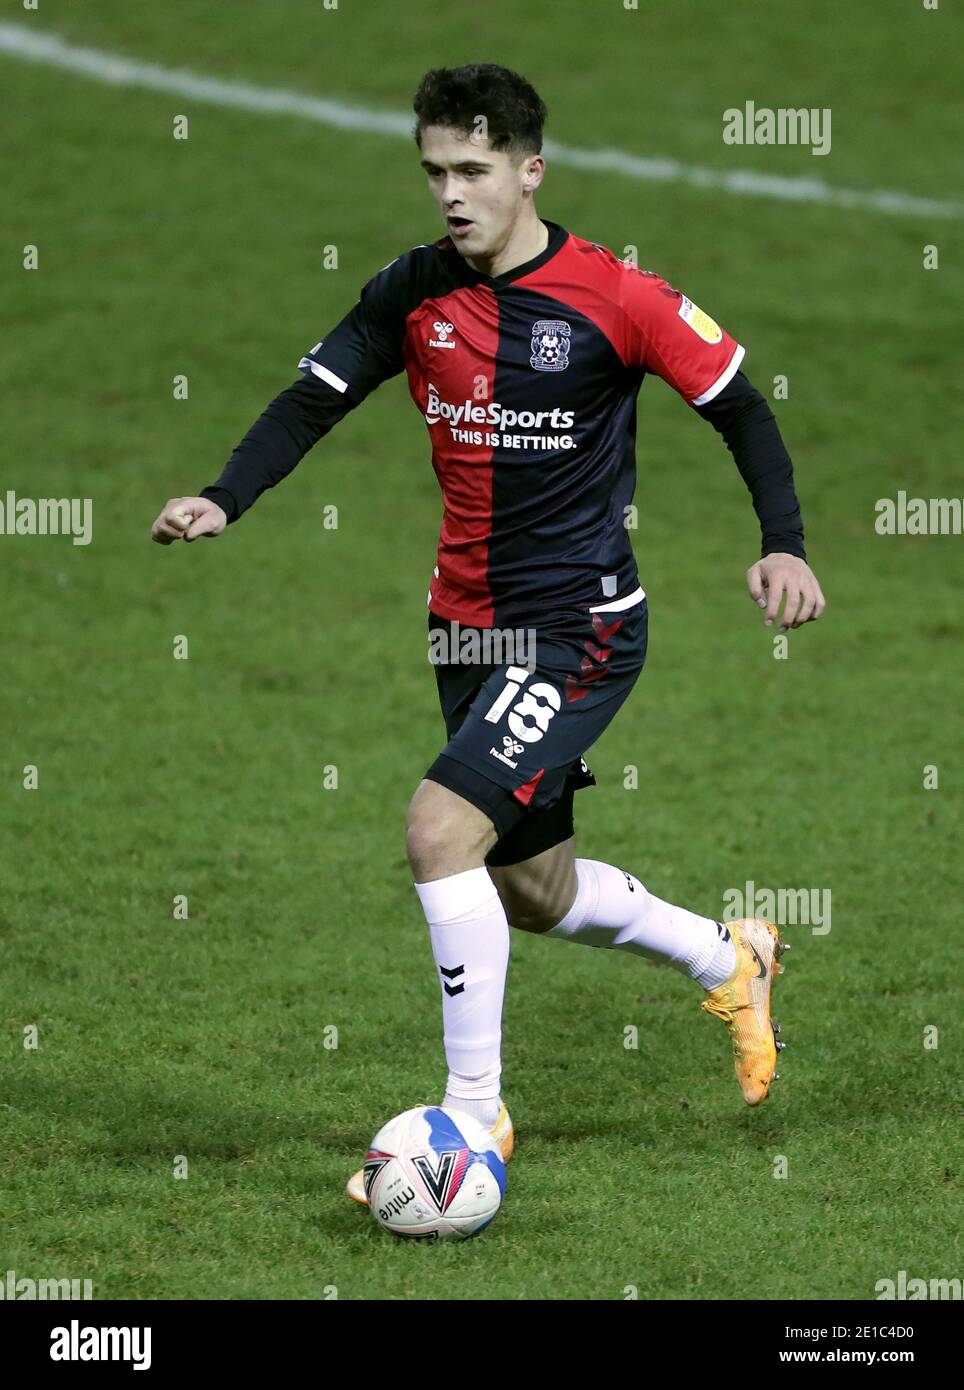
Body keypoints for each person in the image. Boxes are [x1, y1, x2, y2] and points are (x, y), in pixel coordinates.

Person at [150, 64, 825, 1206]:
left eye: (473, 171)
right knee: (528, 886)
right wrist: (226, 496)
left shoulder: (617, 297)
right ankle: (733, 955)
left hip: (578, 631)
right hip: (460, 630)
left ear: (529, 172)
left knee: (437, 832)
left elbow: (739, 405)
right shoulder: (411, 292)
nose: (451, 195)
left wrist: (784, 541)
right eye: (434, 172)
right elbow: (312, 396)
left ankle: (471, 1122)